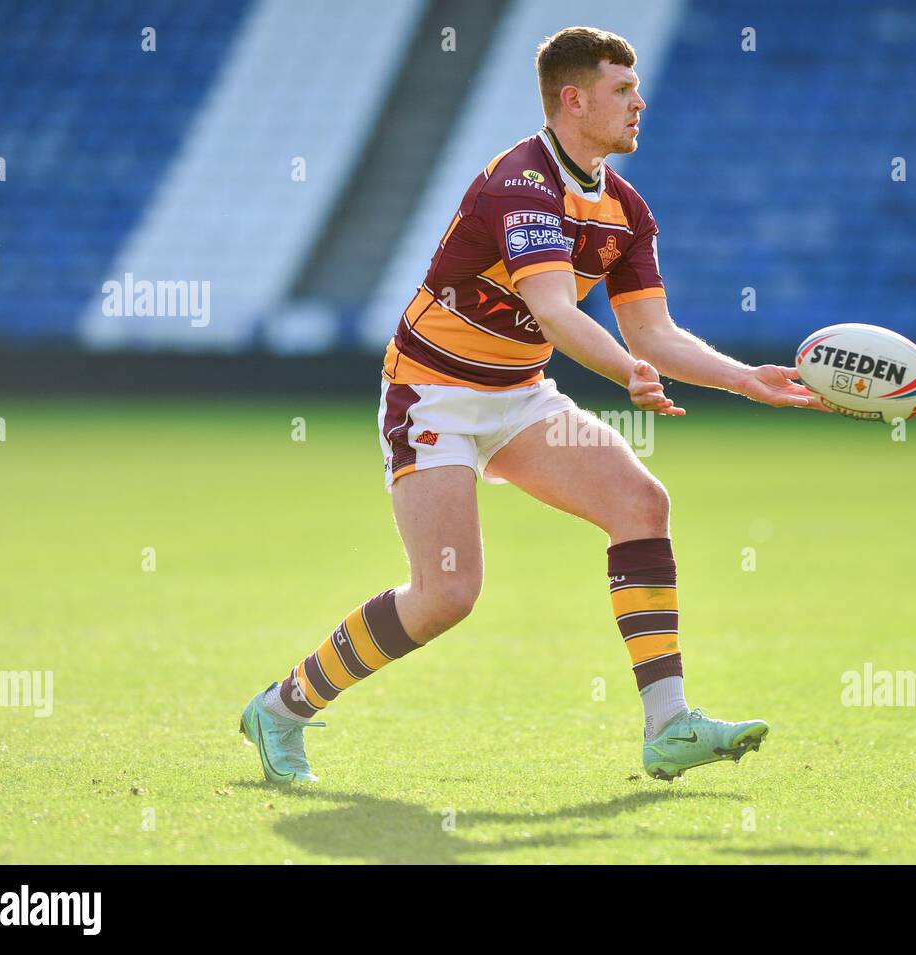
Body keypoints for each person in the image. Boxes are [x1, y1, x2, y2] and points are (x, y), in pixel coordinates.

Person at [241, 26, 821, 784]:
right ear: (572, 100)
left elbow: (653, 330)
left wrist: (746, 379)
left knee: (641, 502)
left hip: (517, 397)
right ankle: (282, 708)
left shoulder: (626, 208)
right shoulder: (521, 183)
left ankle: (668, 722)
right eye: (622, 90)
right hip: (433, 395)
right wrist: (625, 372)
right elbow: (553, 310)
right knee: (448, 593)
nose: (640, 103)